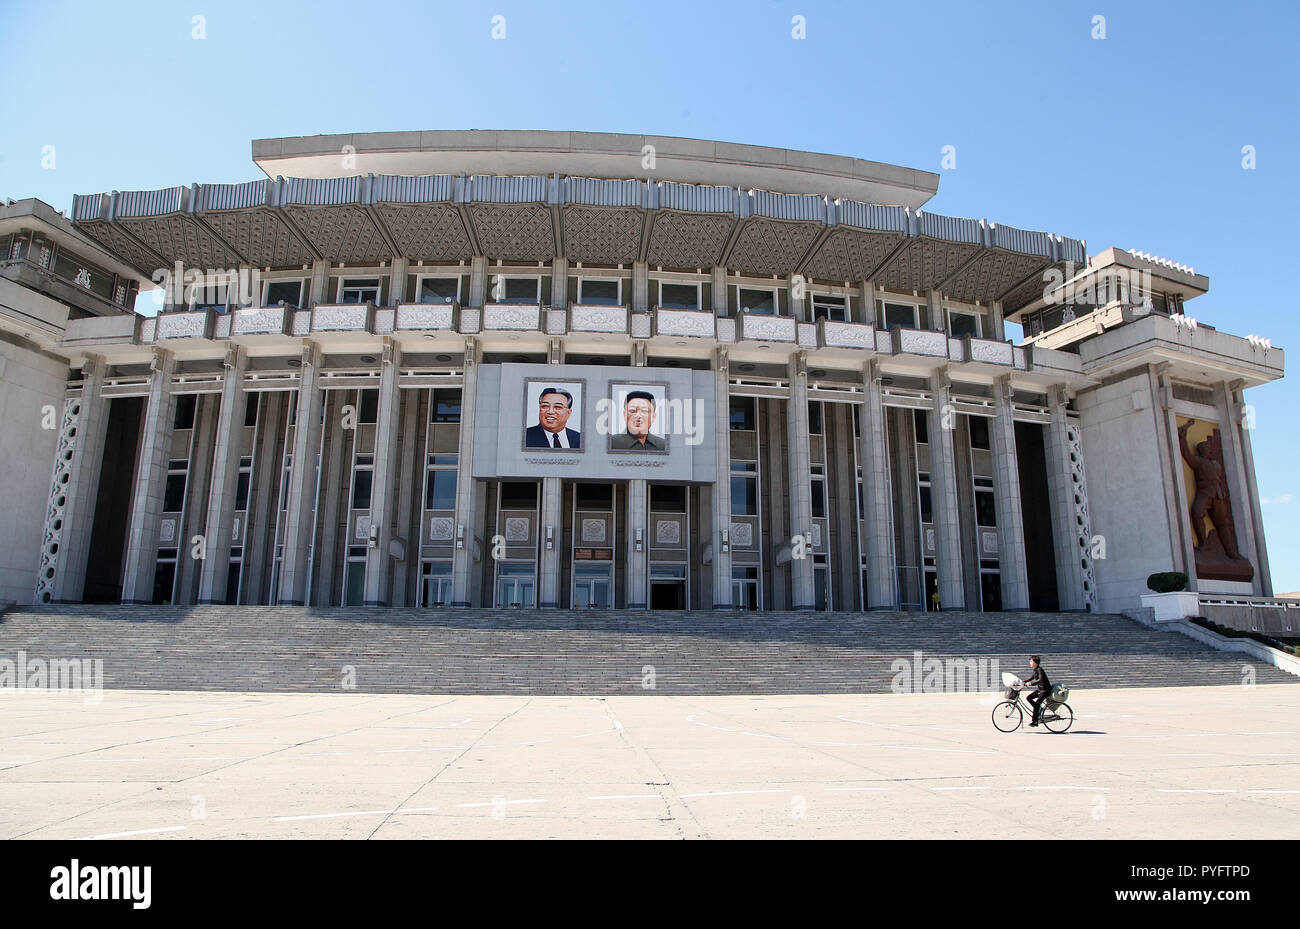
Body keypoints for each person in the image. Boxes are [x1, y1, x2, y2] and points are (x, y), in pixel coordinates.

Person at [1021, 655, 1052, 727]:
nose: (1030, 662)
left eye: (1031, 661)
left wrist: (1031, 684)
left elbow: (1040, 680)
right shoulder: (1035, 670)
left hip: (1045, 690)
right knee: (1029, 698)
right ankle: (1039, 709)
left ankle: (1035, 722)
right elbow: (1031, 678)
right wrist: (1021, 682)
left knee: (1037, 704)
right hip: (1040, 689)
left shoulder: (1040, 669)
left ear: (1036, 662)